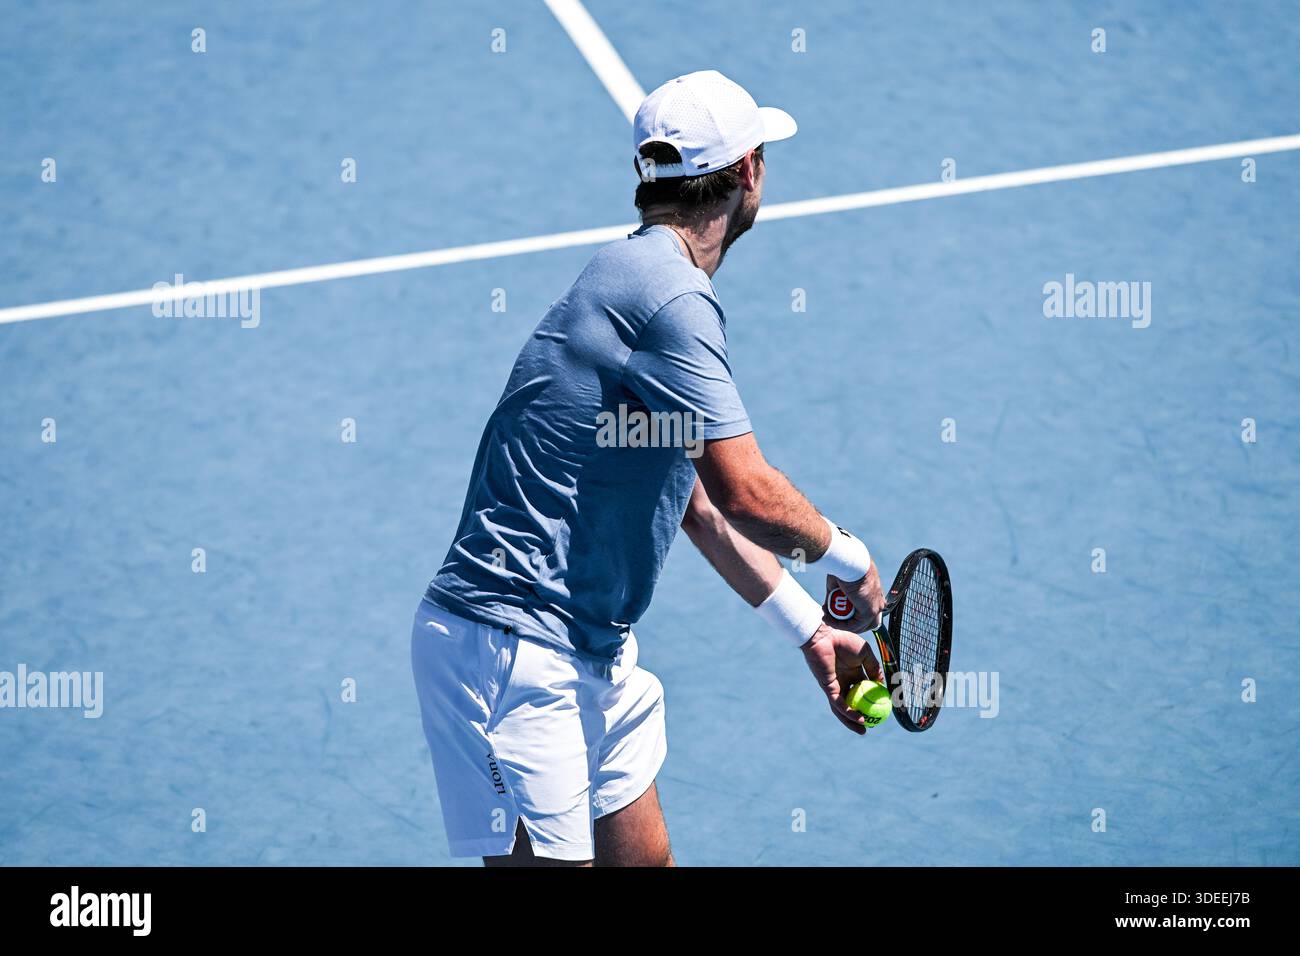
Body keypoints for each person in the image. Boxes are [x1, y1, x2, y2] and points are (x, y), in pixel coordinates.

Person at [411, 70, 885, 867]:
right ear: (748, 173)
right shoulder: (670, 298)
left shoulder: (632, 276)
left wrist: (809, 629)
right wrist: (854, 559)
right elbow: (748, 492)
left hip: (591, 649)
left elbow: (696, 504)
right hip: (508, 648)